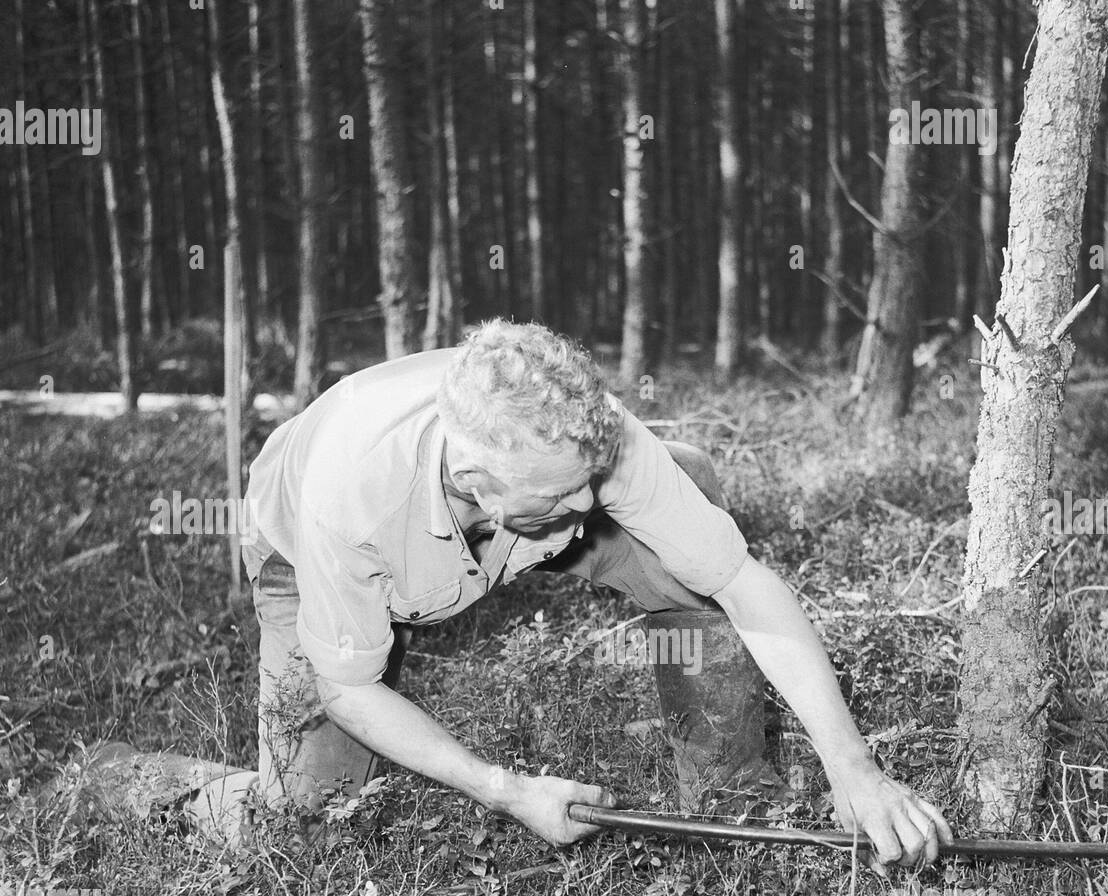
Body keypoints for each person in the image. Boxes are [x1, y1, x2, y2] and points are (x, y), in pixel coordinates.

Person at [85, 320, 952, 868]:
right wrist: (504, 790)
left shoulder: (581, 447)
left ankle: (728, 790)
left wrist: (856, 769)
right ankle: (136, 779)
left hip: (489, 515)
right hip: (306, 555)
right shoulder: (347, 505)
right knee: (304, 818)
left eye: (593, 485)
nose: (588, 516)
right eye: (561, 504)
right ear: (476, 481)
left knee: (688, 506)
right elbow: (352, 690)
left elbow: (746, 584)